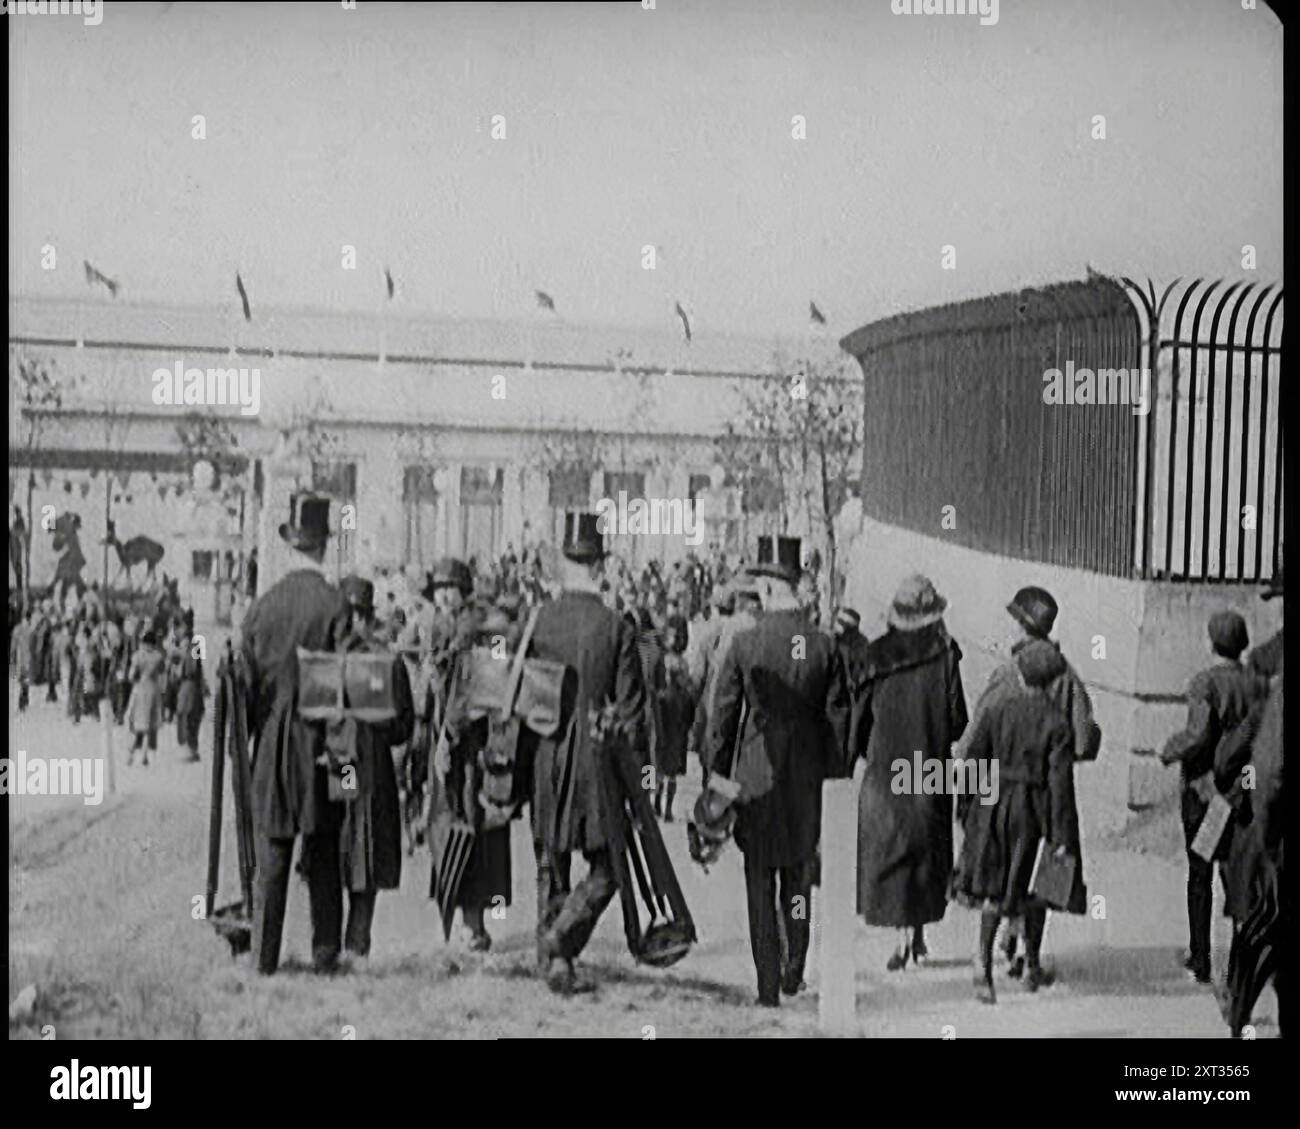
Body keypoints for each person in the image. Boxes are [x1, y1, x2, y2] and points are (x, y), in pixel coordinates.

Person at [705, 558, 851, 1006]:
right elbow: (840, 724)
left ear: (767, 590)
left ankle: (767, 981)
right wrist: (833, 779)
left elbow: (721, 724)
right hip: (805, 781)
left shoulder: (745, 644)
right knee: (798, 880)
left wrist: (717, 787)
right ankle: (795, 968)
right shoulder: (824, 646)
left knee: (759, 881)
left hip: (756, 777)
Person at [528, 514, 647, 994]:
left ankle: (551, 950)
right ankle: (561, 942)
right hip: (596, 760)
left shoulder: (538, 619)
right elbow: (633, 714)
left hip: (546, 752)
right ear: (600, 565)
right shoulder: (617, 627)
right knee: (607, 868)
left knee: (551, 860)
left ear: (563, 560)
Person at [241, 498, 352, 975]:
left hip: (270, 741)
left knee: (273, 852)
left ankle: (263, 959)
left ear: (289, 545)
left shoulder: (262, 608)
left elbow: (245, 687)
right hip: (320, 743)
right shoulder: (335, 605)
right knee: (324, 849)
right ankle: (325, 954)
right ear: (324, 546)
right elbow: (344, 687)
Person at [950, 634, 1082, 1001]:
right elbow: (1060, 786)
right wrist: (1060, 838)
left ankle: (982, 966)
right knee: (1035, 889)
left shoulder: (997, 709)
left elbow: (973, 761)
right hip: (1034, 810)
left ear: (1020, 674)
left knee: (993, 885)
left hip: (995, 805)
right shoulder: (1058, 724)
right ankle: (1032, 965)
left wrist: (967, 807)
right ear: (1053, 681)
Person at [854, 575, 968, 971]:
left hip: (885, 772)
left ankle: (902, 937)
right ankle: (917, 936)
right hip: (928, 770)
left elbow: (858, 721)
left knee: (892, 851)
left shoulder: (875, 655)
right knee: (926, 853)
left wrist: (868, 752)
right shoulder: (946, 655)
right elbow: (957, 720)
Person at [1160, 610, 1259, 985]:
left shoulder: (1204, 683)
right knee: (1238, 879)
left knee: (1199, 875)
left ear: (1211, 642)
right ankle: (1238, 966)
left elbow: (1198, 735)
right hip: (1244, 793)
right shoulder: (1258, 684)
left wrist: (1170, 750)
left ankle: (1200, 958)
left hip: (1205, 792)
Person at [336, 576, 414, 964]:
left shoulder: (330, 660)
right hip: (370, 770)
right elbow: (404, 728)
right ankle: (356, 942)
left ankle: (336, 945)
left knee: (342, 850)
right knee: (363, 856)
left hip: (342, 769)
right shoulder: (389, 661)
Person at [654, 614, 694, 822]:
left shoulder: (663, 660)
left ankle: (658, 804)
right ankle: (662, 806)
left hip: (666, 715)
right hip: (675, 717)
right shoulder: (683, 664)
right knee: (667, 766)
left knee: (660, 764)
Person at [126, 629, 165, 765]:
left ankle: (135, 752)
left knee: (139, 723)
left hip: (140, 691)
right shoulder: (158, 657)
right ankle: (147, 754)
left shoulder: (137, 656)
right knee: (150, 724)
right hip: (152, 691)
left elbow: (131, 676)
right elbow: (161, 678)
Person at [174, 627, 206, 763]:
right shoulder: (193, 651)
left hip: (188, 688)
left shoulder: (191, 652)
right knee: (190, 717)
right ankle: (191, 749)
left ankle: (189, 750)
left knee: (187, 717)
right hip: (190, 689)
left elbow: (189, 671)